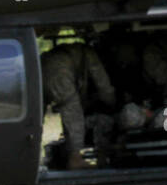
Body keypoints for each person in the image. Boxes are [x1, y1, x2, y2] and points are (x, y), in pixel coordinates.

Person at [41, 41, 117, 169]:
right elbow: (103, 85)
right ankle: (75, 158)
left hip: (42, 66)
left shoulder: (78, 52)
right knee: (73, 112)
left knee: (36, 117)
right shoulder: (90, 54)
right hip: (59, 70)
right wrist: (114, 104)